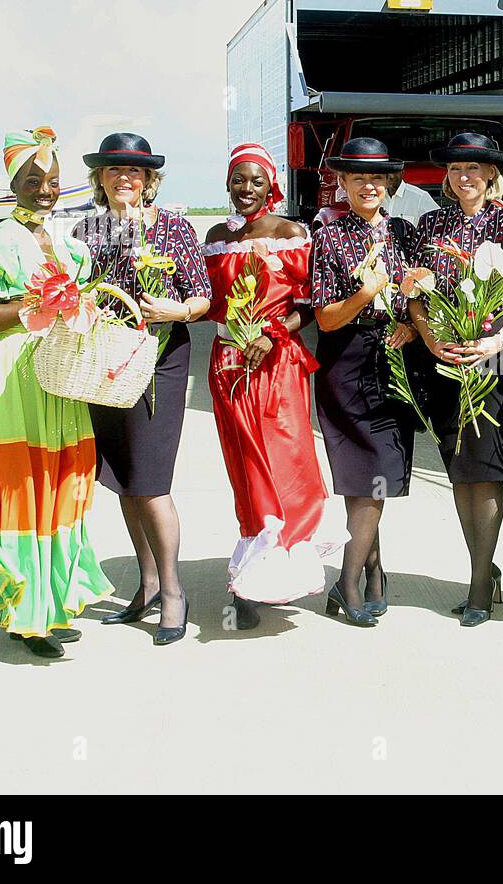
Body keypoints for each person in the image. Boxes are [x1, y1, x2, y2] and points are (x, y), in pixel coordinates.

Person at [0, 126, 113, 659]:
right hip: (11, 377)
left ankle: (48, 601)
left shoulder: (71, 245)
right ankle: (26, 613)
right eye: (33, 179)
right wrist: (34, 308)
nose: (45, 189)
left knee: (62, 483)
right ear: (14, 181)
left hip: (59, 378)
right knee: (21, 488)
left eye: (54, 180)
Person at [73, 133, 212, 646]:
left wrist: (176, 311)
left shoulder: (173, 227)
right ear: (100, 180)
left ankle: (174, 591)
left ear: (150, 181)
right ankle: (148, 582)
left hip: (160, 361)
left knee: (151, 480)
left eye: (135, 172)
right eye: (113, 171)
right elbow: (74, 292)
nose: (124, 178)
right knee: (124, 476)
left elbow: (202, 298)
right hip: (104, 361)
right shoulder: (87, 230)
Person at [202, 143, 347, 629]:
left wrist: (270, 333)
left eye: (256, 181)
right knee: (243, 464)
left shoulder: (291, 234)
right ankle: (250, 572)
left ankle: (281, 560)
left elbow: (310, 303)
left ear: (272, 185)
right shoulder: (216, 236)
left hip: (275, 362)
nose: (246, 189)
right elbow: (207, 301)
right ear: (228, 183)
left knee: (283, 458)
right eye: (238, 180)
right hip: (226, 361)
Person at [406, 133, 503, 627]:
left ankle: (480, 586)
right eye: (457, 168)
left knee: (486, 472)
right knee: (460, 470)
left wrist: (496, 342)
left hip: (497, 363)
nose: (465, 177)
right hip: (444, 361)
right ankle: (484, 567)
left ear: (491, 175)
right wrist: (428, 335)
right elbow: (414, 292)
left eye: (475, 168)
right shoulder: (430, 225)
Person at [310, 137, 419, 627]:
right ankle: (349, 582)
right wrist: (366, 293)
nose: (368, 185)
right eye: (357, 178)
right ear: (343, 182)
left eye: (376, 177)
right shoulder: (328, 236)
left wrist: (413, 323)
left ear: (389, 183)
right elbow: (327, 319)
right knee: (363, 479)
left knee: (378, 479)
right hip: (345, 363)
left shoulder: (404, 233)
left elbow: (422, 297)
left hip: (394, 361)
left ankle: (373, 571)